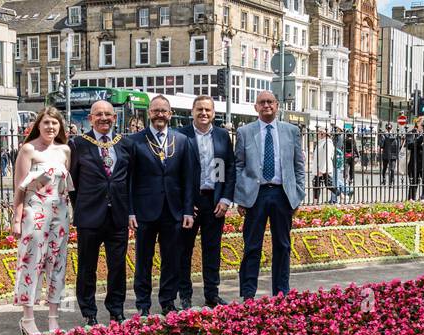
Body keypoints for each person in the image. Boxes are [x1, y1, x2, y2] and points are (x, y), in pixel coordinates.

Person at [127, 94, 196, 316]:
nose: (159, 114)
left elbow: (188, 179)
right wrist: (131, 211)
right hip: (145, 211)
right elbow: (128, 181)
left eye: (163, 111)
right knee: (143, 260)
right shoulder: (135, 140)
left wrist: (188, 210)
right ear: (149, 113)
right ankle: (143, 304)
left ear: (170, 114)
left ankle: (168, 301)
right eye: (155, 110)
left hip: (173, 210)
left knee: (171, 259)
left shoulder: (182, 140)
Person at [233, 89, 305, 300]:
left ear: (277, 105)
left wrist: (298, 194)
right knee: (252, 246)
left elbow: (299, 165)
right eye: (262, 102)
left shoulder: (291, 131)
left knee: (282, 246)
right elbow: (238, 166)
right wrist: (241, 196)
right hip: (256, 196)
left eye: (270, 102)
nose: (266, 106)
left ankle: (281, 293)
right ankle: (248, 295)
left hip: (282, 195)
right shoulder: (245, 132)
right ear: (256, 107)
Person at [69, 99, 133, 325]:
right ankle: (89, 311)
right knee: (87, 267)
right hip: (90, 216)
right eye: (99, 114)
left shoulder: (124, 144)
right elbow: (72, 184)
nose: (104, 118)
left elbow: (130, 180)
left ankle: (116, 309)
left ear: (114, 118)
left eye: (108, 114)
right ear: (90, 119)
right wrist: (81, 208)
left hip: (117, 216)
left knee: (117, 266)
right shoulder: (77, 145)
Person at [11, 107, 72, 335]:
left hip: (60, 212)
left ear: (60, 127)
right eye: (46, 123)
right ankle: (28, 318)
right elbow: (19, 187)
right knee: (31, 263)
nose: (50, 127)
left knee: (58, 263)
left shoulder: (65, 150)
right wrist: (17, 219)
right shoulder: (28, 150)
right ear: (39, 124)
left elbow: (65, 185)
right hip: (35, 211)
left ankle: (53, 318)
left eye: (54, 123)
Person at [178, 95, 235, 310]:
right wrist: (184, 203)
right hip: (189, 203)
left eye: (208, 110)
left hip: (214, 201)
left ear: (213, 113)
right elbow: (175, 173)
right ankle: (185, 295)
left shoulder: (221, 136)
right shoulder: (181, 135)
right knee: (184, 250)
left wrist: (225, 198)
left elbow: (228, 169)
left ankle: (212, 294)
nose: (204, 113)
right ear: (192, 111)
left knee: (212, 249)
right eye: (199, 109)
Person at [310, 127, 342, 204]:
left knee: (328, 184)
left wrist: (322, 170)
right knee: (316, 184)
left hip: (323, 168)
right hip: (319, 167)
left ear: (324, 134)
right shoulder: (321, 142)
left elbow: (327, 157)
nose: (318, 134)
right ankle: (315, 202)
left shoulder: (327, 143)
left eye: (319, 132)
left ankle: (342, 195)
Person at [406, 118, 424, 200]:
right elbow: (409, 145)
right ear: (418, 124)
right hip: (414, 163)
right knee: (414, 183)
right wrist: (420, 139)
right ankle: (411, 200)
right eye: (423, 124)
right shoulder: (411, 133)